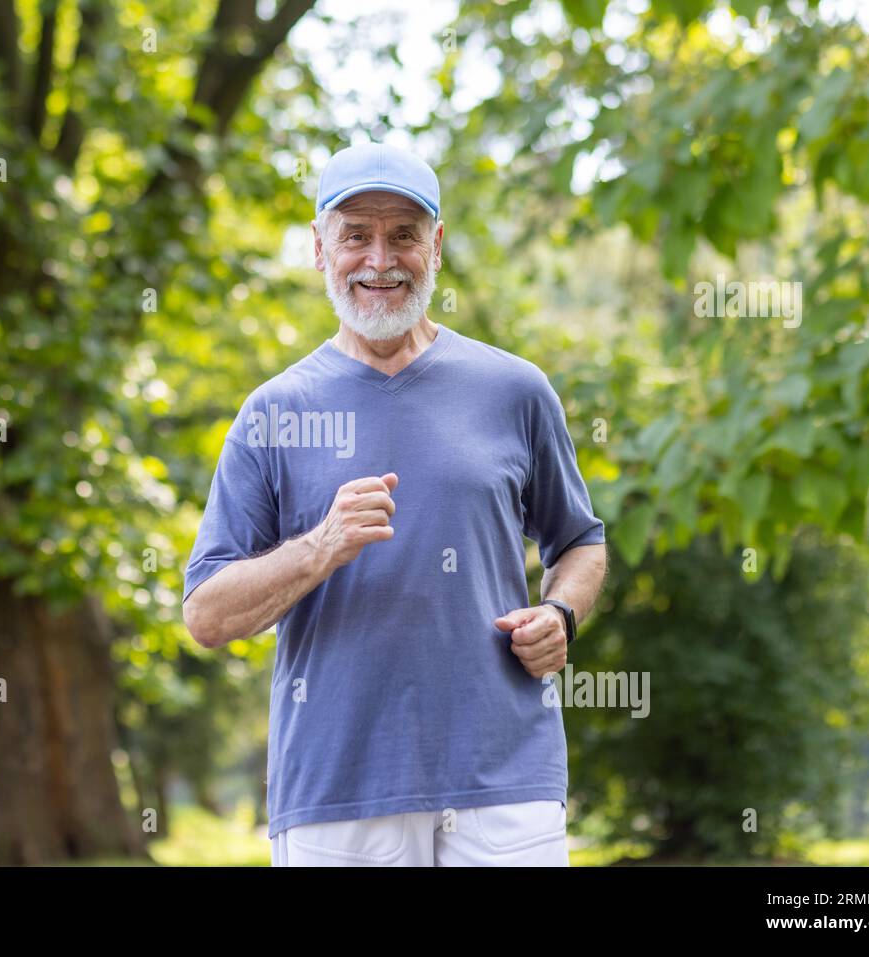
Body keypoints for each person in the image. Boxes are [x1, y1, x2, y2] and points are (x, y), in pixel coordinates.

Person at [183, 142, 608, 866]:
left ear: (435, 246)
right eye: (355, 234)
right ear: (320, 249)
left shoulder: (515, 390)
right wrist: (322, 546)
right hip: (336, 791)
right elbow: (208, 614)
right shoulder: (272, 413)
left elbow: (580, 543)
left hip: (506, 780)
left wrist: (561, 612)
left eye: (404, 234)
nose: (380, 258)